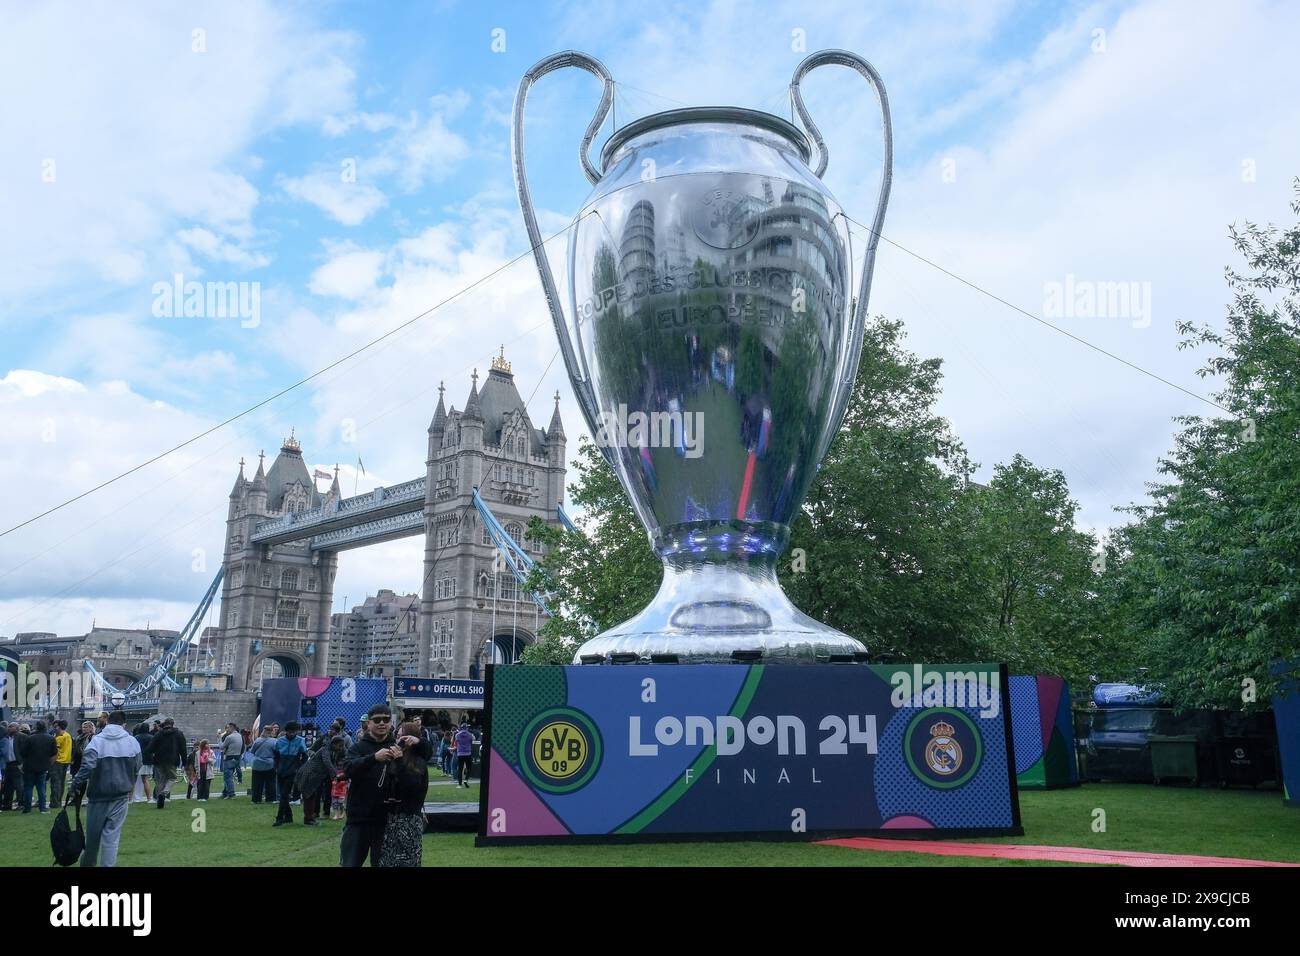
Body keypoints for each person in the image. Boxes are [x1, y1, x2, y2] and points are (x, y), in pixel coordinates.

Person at [340, 704, 431, 867]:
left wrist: (419, 741)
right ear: (368, 723)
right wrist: (373, 758)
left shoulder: (396, 746)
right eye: (377, 720)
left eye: (386, 720)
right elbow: (347, 769)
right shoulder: (358, 747)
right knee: (350, 863)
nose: (382, 723)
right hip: (358, 818)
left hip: (386, 822)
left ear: (391, 723)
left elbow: (424, 755)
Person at [69, 710, 141, 868]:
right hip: (121, 796)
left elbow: (86, 768)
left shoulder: (96, 742)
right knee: (112, 839)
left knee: (92, 839)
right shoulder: (132, 742)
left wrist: (74, 785)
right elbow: (137, 767)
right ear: (124, 723)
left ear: (108, 721)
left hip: (98, 797)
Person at [378, 721, 430, 867]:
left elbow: (412, 786)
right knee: (388, 861)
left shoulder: (418, 762)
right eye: (397, 736)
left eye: (402, 737)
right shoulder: (392, 760)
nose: (398, 740)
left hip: (409, 819)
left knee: (408, 861)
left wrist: (400, 760)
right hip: (391, 819)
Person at [296, 736, 345, 826]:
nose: (341, 748)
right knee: (309, 796)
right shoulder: (325, 750)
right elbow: (327, 762)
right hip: (310, 774)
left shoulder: (332, 751)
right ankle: (308, 819)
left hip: (315, 775)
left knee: (312, 796)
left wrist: (335, 774)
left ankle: (310, 817)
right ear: (333, 744)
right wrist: (336, 775)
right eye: (339, 746)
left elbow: (332, 764)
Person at [272, 722, 308, 826]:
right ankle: (289, 817)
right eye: (290, 732)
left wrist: (299, 768)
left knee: (284, 795)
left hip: (292, 771)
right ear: (286, 731)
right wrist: (276, 767)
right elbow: (276, 755)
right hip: (281, 770)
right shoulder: (280, 741)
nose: (292, 734)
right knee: (284, 795)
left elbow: (304, 757)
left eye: (294, 732)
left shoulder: (300, 741)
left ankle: (279, 818)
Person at [148, 717, 186, 808]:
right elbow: (183, 749)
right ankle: (164, 793)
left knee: (160, 780)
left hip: (158, 760)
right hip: (172, 760)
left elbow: (150, 748)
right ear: (173, 724)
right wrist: (185, 762)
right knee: (172, 778)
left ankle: (159, 796)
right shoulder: (179, 734)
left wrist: (153, 754)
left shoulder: (158, 734)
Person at [21, 720, 56, 813]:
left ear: (36, 727)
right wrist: (49, 765)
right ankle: (42, 808)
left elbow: (23, 753)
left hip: (29, 766)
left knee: (28, 787)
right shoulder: (51, 739)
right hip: (43, 766)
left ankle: (27, 808)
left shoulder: (30, 738)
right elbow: (54, 754)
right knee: (41, 788)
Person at [248, 726, 278, 804]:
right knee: (270, 783)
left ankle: (256, 799)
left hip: (257, 764)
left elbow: (252, 751)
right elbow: (277, 752)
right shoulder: (274, 741)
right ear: (271, 732)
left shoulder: (258, 740)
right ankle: (270, 799)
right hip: (269, 764)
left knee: (256, 783)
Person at [50, 720, 73, 807]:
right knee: (61, 783)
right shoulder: (68, 735)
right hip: (66, 761)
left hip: (58, 761)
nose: (55, 728)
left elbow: (55, 751)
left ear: (59, 726)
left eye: (56, 727)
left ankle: (55, 803)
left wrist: (51, 762)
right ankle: (58, 801)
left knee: (55, 783)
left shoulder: (59, 737)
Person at [1, 723, 23, 811]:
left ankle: (21, 803)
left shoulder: (21, 737)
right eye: (8, 727)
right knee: (7, 785)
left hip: (16, 763)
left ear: (16, 728)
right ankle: (7, 804)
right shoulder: (6, 738)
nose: (8, 728)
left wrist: (22, 763)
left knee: (18, 785)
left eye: (11, 726)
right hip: (7, 764)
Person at [219, 722, 244, 799]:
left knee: (228, 778)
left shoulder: (229, 737)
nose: (227, 730)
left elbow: (221, 747)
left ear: (232, 727)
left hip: (229, 758)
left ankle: (231, 794)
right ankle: (225, 793)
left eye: (228, 728)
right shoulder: (239, 736)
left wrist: (219, 738)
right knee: (230, 776)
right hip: (237, 758)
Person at [132, 723, 154, 803]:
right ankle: (149, 798)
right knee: (145, 780)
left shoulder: (136, 738)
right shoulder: (151, 737)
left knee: (133, 781)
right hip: (147, 760)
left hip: (137, 760)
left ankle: (130, 799)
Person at [454, 721, 474, 788]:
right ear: (466, 728)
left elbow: (456, 743)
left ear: (461, 728)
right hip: (468, 753)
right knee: (469, 768)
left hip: (460, 754)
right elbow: (471, 743)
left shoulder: (457, 735)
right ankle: (466, 779)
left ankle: (459, 784)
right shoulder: (470, 735)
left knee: (460, 769)